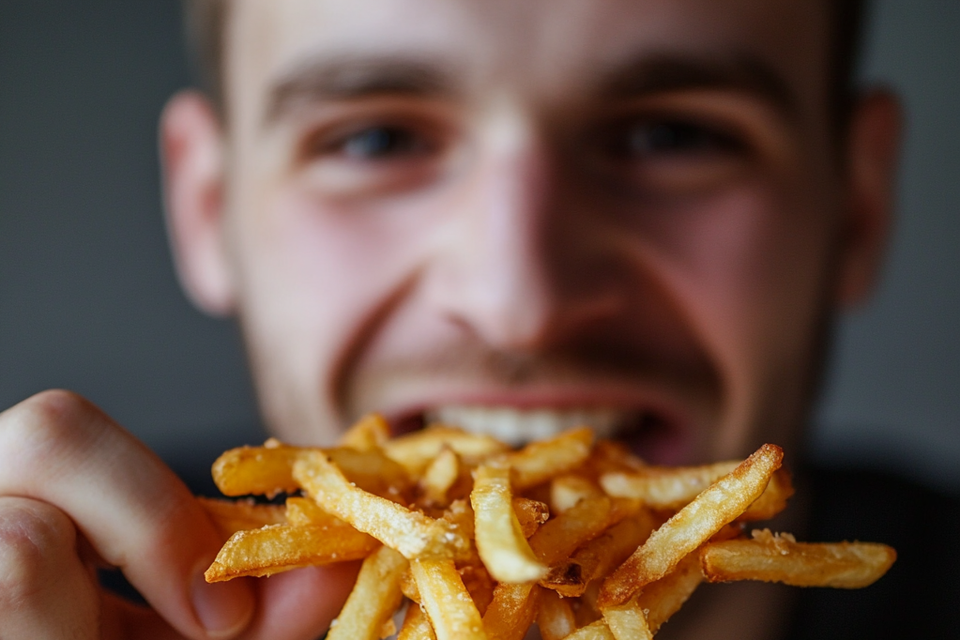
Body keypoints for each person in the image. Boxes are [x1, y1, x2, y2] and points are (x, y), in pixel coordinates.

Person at [3, 0, 944, 638]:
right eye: (377, 139)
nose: (519, 305)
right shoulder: (77, 594)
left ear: (855, 206)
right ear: (207, 208)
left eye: (672, 136)